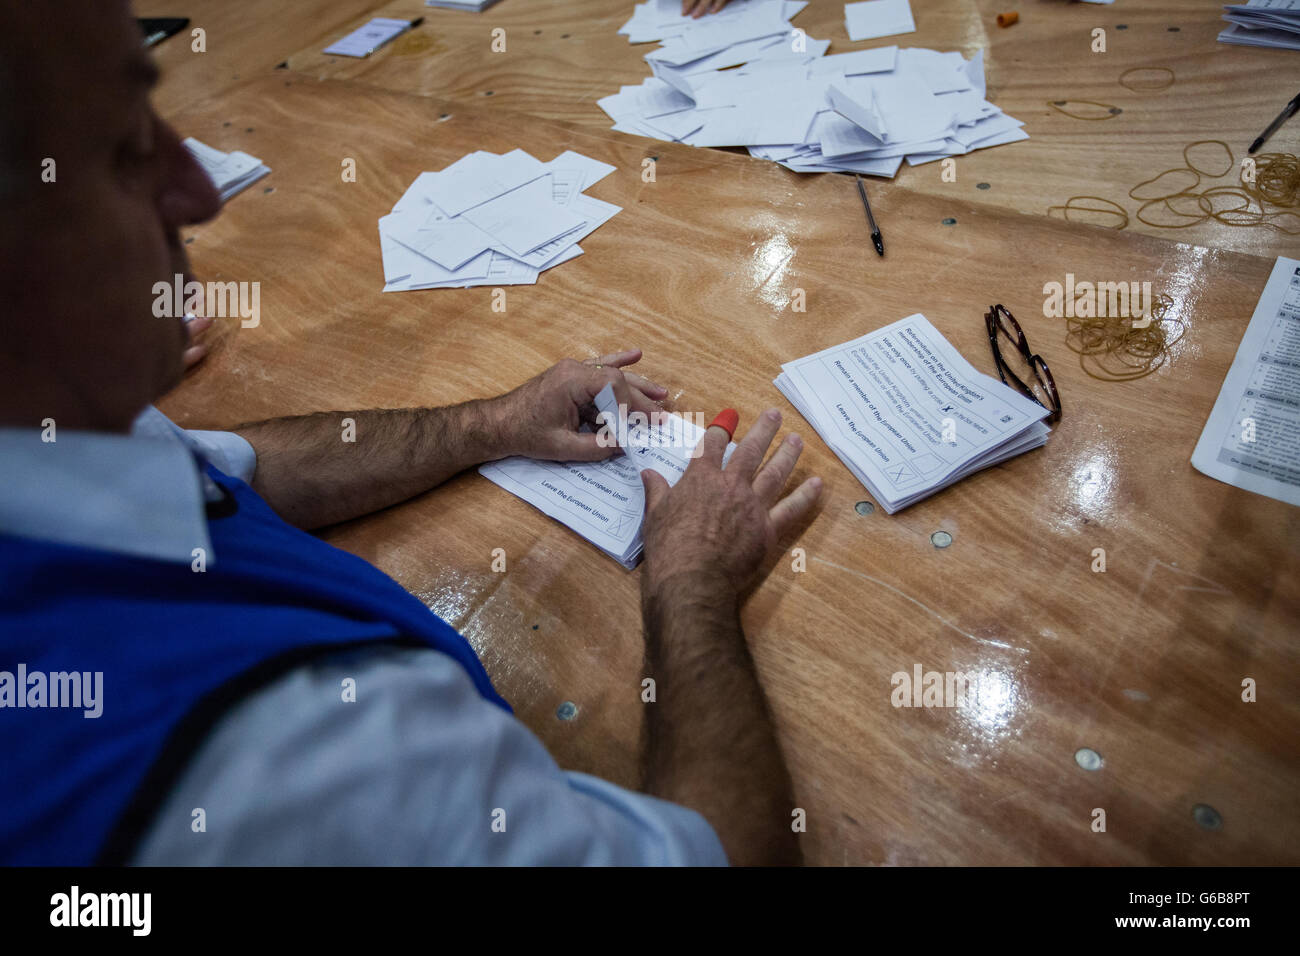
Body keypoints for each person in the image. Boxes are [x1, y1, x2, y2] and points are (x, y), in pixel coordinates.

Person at [0, 1, 822, 866]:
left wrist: (494, 422)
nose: (198, 192)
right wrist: (690, 579)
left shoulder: (47, 443)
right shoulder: (298, 769)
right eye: (127, 148)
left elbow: (238, 472)